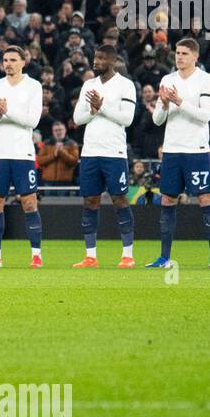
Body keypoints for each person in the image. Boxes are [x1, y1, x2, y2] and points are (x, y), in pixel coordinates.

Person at [148, 38, 210, 269]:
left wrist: (178, 101)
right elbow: (157, 119)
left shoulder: (206, 80)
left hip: (196, 150)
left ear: (195, 56)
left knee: (205, 198)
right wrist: (164, 103)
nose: (179, 57)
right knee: (168, 199)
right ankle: (164, 257)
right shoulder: (167, 80)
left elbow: (205, 115)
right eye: (177, 53)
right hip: (172, 149)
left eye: (184, 53)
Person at [0, 46, 44, 268]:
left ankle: (36, 255)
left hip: (22, 153)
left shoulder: (33, 86)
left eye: (13, 60)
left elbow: (32, 121)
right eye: (5, 60)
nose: (8, 64)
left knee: (29, 202)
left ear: (23, 62)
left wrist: (7, 112)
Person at [71, 45, 137, 267]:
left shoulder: (126, 86)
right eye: (95, 57)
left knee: (119, 199)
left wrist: (102, 107)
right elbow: (78, 118)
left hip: (114, 153)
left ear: (113, 60)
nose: (95, 61)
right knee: (90, 201)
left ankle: (127, 255)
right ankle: (91, 256)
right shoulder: (88, 85)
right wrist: (92, 110)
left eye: (100, 58)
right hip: (90, 152)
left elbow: (127, 119)